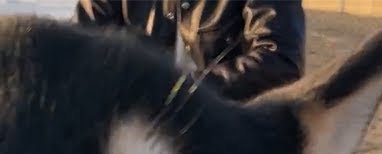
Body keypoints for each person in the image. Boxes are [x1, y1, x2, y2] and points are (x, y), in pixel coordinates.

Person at [74, 0, 306, 101]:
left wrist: (181, 91)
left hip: (226, 131)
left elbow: (280, 60)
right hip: (134, 131)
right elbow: (77, 47)